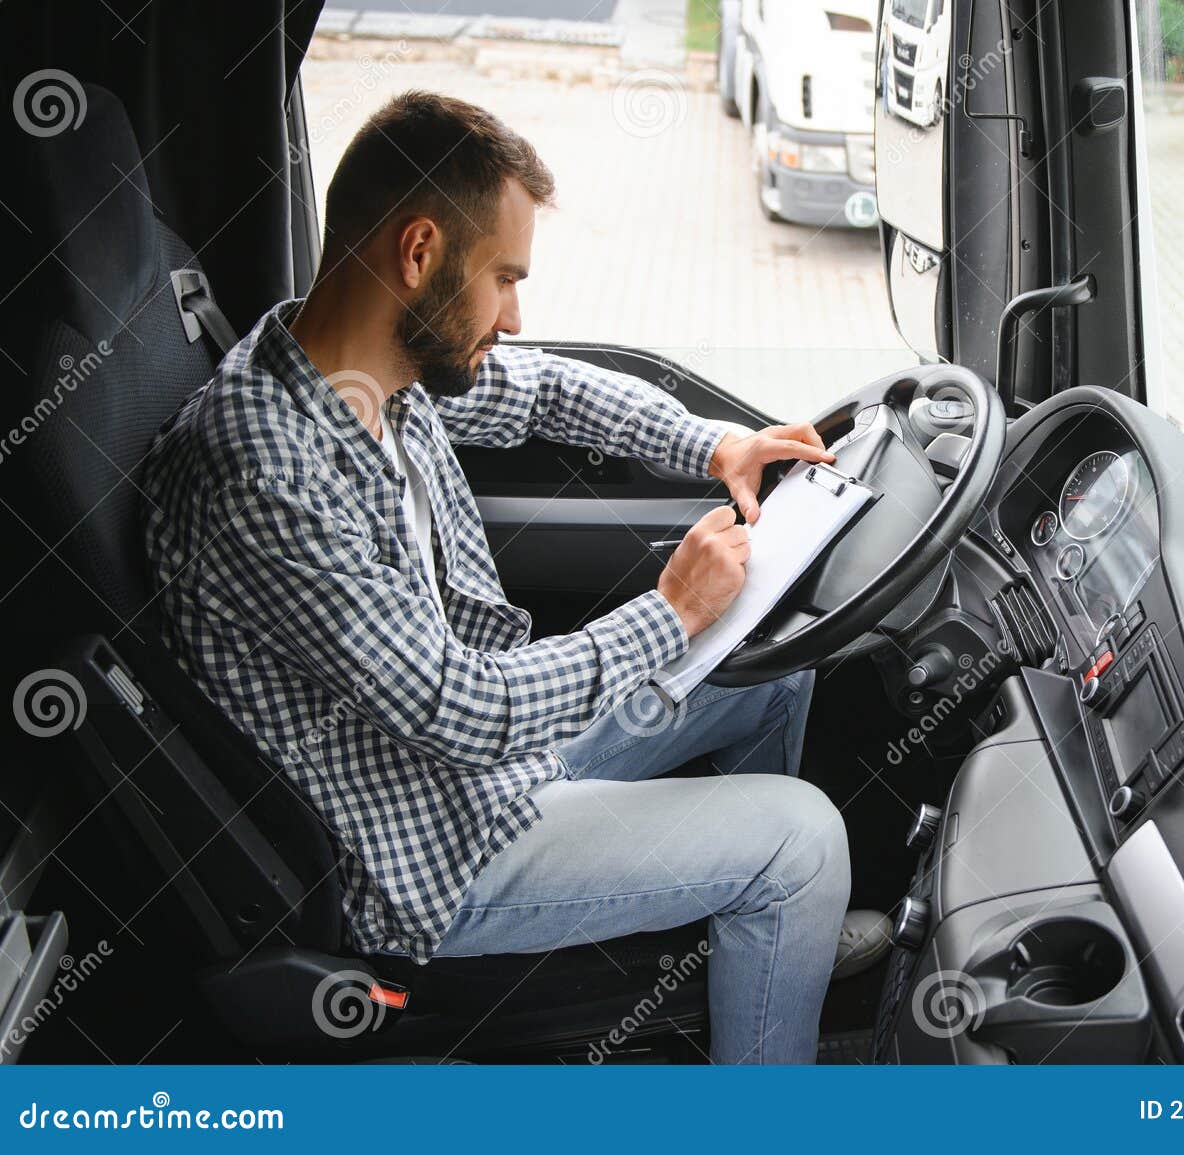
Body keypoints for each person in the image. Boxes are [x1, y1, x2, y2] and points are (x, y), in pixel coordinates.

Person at [141, 90, 881, 1064]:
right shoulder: (261, 473)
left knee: (768, 663)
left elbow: (546, 389)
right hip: (426, 852)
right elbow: (458, 708)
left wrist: (719, 443)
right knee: (803, 840)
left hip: (487, 765)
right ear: (418, 254)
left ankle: (754, 931)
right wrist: (668, 612)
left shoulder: (369, 370)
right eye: (502, 278)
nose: (516, 313)